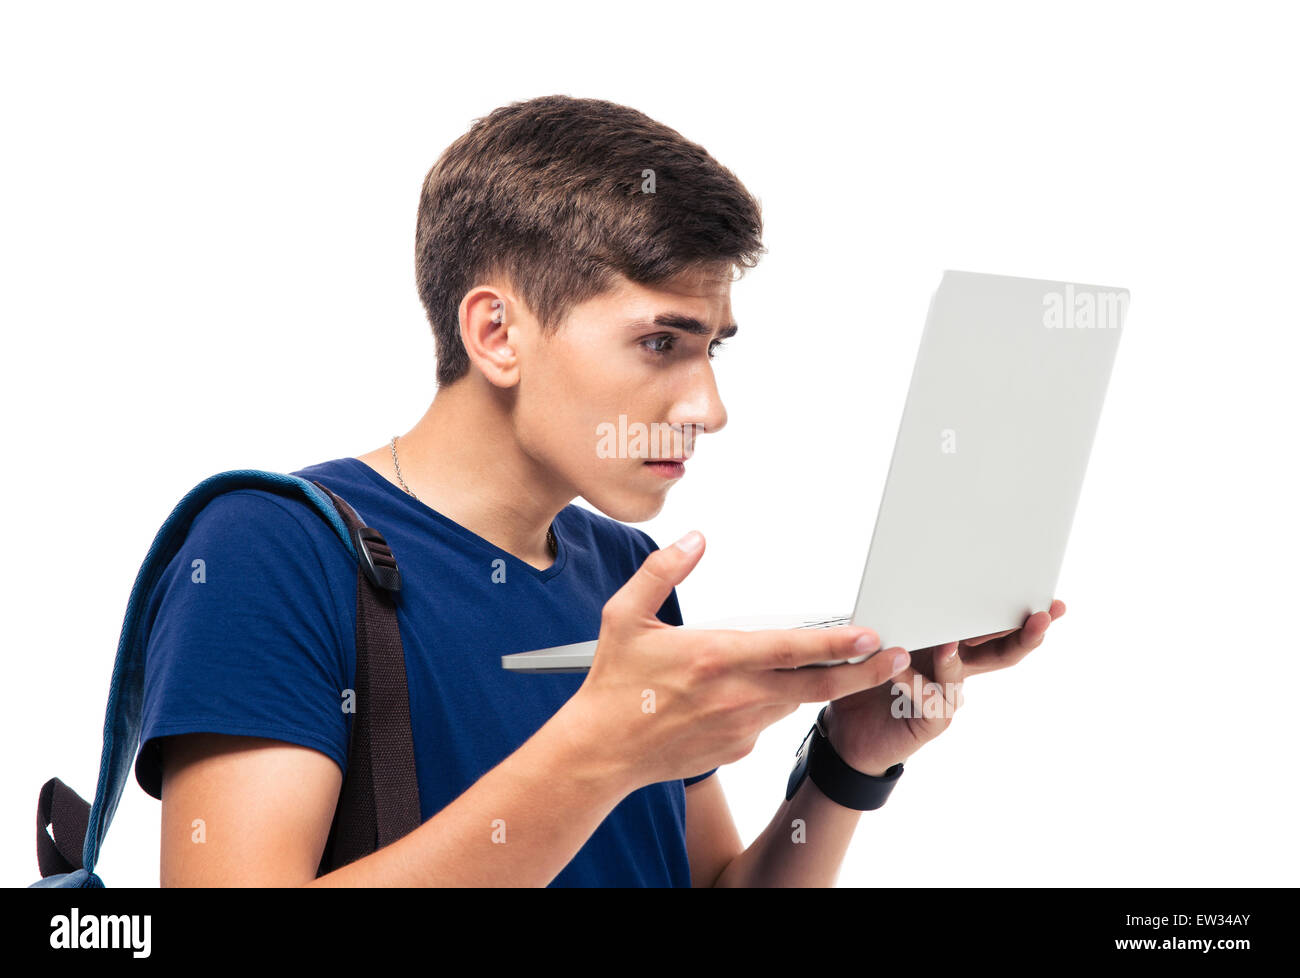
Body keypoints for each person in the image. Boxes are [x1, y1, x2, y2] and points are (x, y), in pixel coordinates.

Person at [135, 94, 1064, 887]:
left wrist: (846, 765)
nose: (707, 406)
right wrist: (602, 748)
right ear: (497, 332)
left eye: (713, 347)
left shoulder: (624, 573)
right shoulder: (269, 550)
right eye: (662, 341)